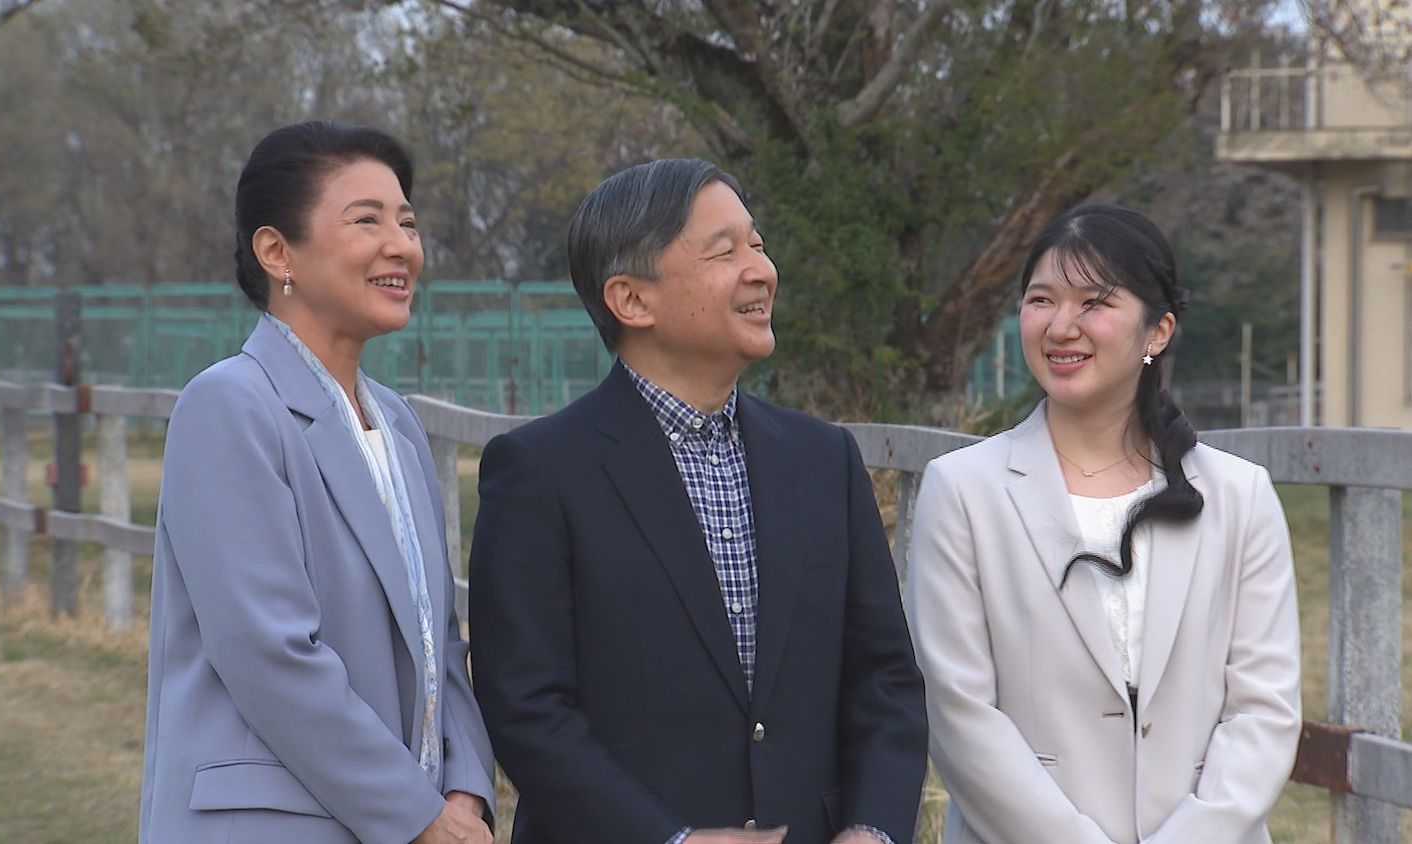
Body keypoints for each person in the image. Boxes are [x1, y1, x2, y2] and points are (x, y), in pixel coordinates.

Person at [468, 158, 928, 844]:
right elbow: (526, 708)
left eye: (758, 245)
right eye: (724, 252)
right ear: (631, 300)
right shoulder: (539, 472)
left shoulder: (823, 459)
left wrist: (872, 829)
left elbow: (884, 680)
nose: (761, 270)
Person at [138, 121, 495, 844]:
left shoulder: (398, 424)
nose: (402, 246)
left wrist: (466, 790)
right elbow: (268, 654)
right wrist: (420, 816)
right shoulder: (231, 405)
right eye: (367, 221)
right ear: (277, 252)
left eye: (408, 223)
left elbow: (440, 645)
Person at [905, 204, 1301, 843]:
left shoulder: (1239, 495)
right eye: (1041, 300)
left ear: (1157, 331)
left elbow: (1264, 711)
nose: (1061, 326)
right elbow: (959, 713)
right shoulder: (963, 491)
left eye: (1094, 302)